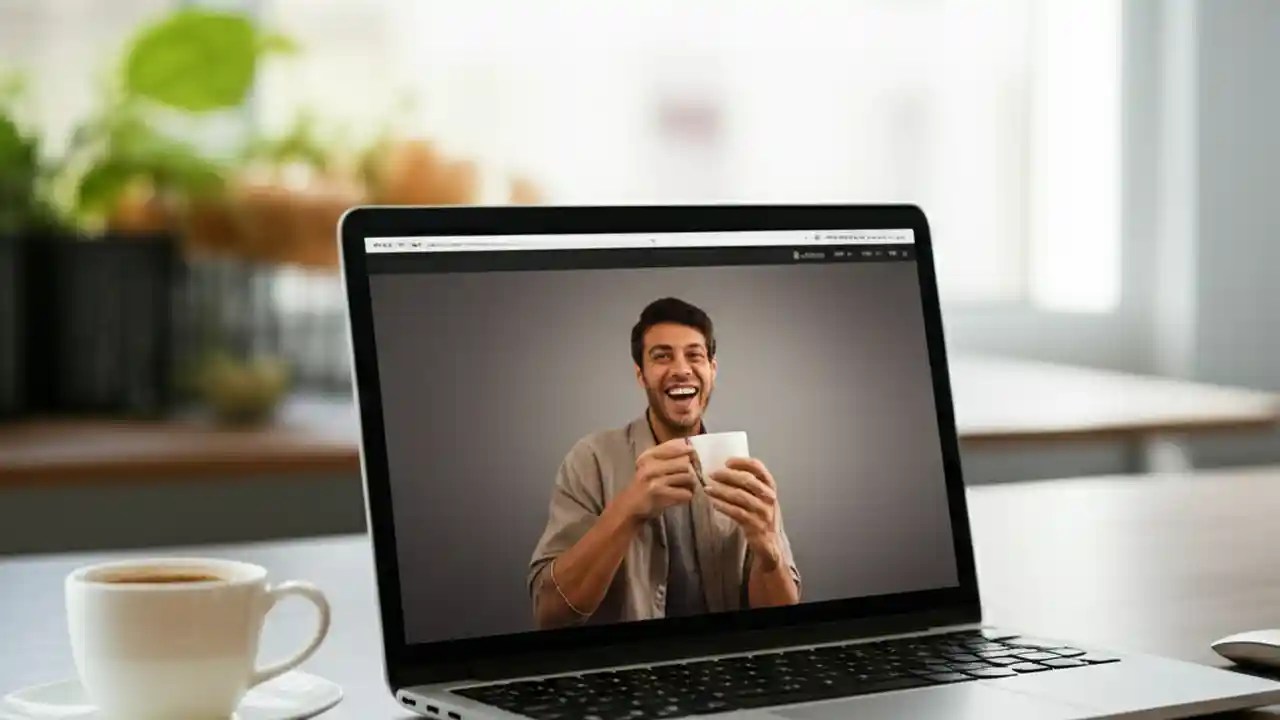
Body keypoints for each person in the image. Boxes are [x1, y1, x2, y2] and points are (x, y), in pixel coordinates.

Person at [529, 297, 800, 630]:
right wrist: (628, 509)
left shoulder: (742, 471)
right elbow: (551, 614)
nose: (681, 369)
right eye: (662, 357)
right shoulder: (591, 460)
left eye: (695, 355)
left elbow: (784, 627)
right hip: (625, 672)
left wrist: (769, 553)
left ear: (712, 370)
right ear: (641, 374)